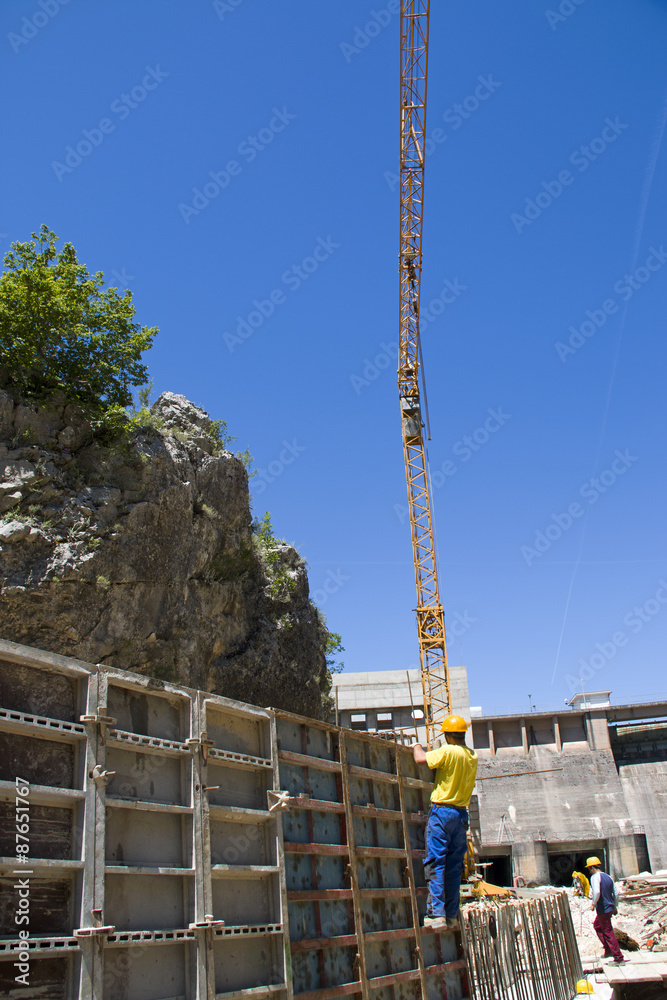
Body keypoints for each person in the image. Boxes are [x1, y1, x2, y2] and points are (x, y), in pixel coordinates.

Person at [413, 714, 478, 931]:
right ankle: (451, 915)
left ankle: (436, 913)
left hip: (442, 812)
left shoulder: (448, 751)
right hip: (461, 816)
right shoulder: (472, 756)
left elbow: (420, 759)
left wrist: (416, 745)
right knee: (454, 866)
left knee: (436, 862)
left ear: (448, 736)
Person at [586, 856, 624, 963]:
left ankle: (618, 957)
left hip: (603, 908)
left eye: (589, 869)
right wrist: (615, 906)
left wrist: (593, 903)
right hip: (610, 907)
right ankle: (608, 950)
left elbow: (597, 892)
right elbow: (616, 893)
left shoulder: (595, 877)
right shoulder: (608, 877)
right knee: (597, 925)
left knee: (608, 931)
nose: (589, 871)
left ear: (592, 867)